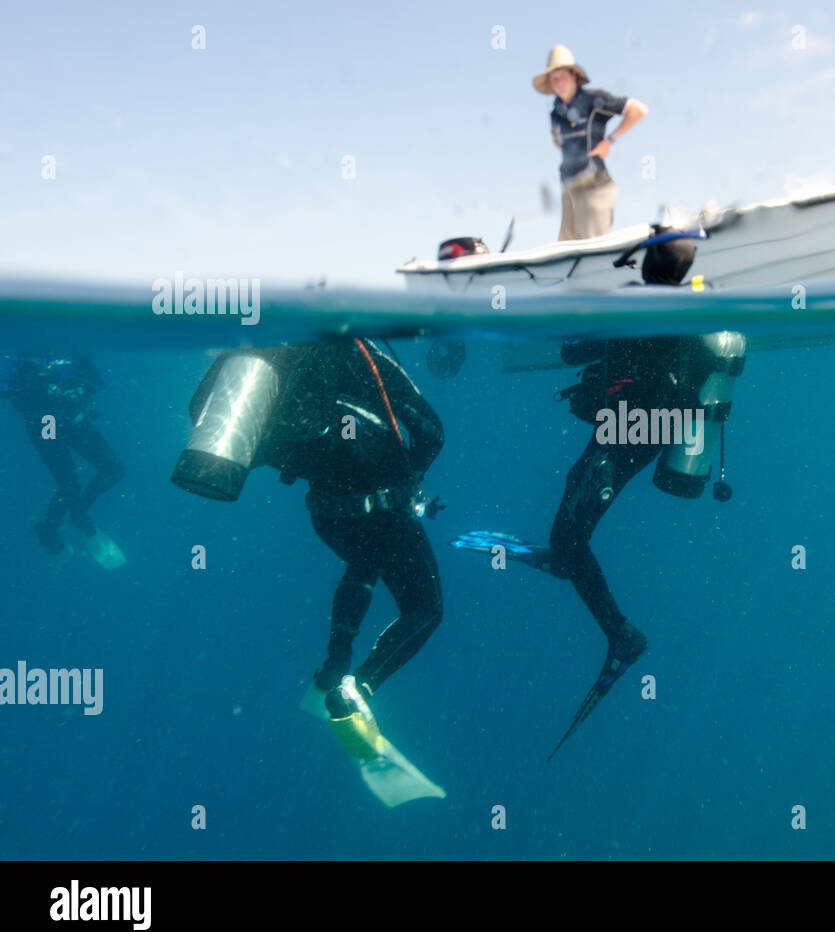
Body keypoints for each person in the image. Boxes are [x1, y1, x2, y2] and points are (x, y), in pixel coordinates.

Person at [451, 234, 746, 758]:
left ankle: (619, 632)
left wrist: (579, 327)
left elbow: (576, 348)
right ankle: (565, 556)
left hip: (632, 427)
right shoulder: (682, 305)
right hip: (648, 423)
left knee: (571, 529)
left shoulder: (641, 304)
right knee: (572, 506)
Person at [171, 339, 446, 720]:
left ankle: (335, 664)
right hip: (381, 512)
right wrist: (407, 480)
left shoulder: (282, 354)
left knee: (366, 560)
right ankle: (357, 689)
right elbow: (433, 432)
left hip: (328, 519)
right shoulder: (361, 353)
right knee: (426, 609)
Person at [0, 351, 125, 567]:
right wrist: (37, 389)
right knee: (70, 486)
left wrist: (79, 388)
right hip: (44, 423)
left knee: (113, 470)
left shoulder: (70, 344)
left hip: (74, 419)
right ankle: (48, 530)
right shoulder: (17, 352)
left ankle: (78, 514)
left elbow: (98, 380)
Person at [534, 44, 648, 241]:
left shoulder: (594, 100)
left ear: (573, 75)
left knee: (592, 244)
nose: (558, 82)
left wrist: (610, 140)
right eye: (554, 79)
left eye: (561, 76)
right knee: (566, 250)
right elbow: (558, 141)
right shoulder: (555, 113)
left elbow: (638, 110)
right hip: (569, 187)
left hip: (594, 184)